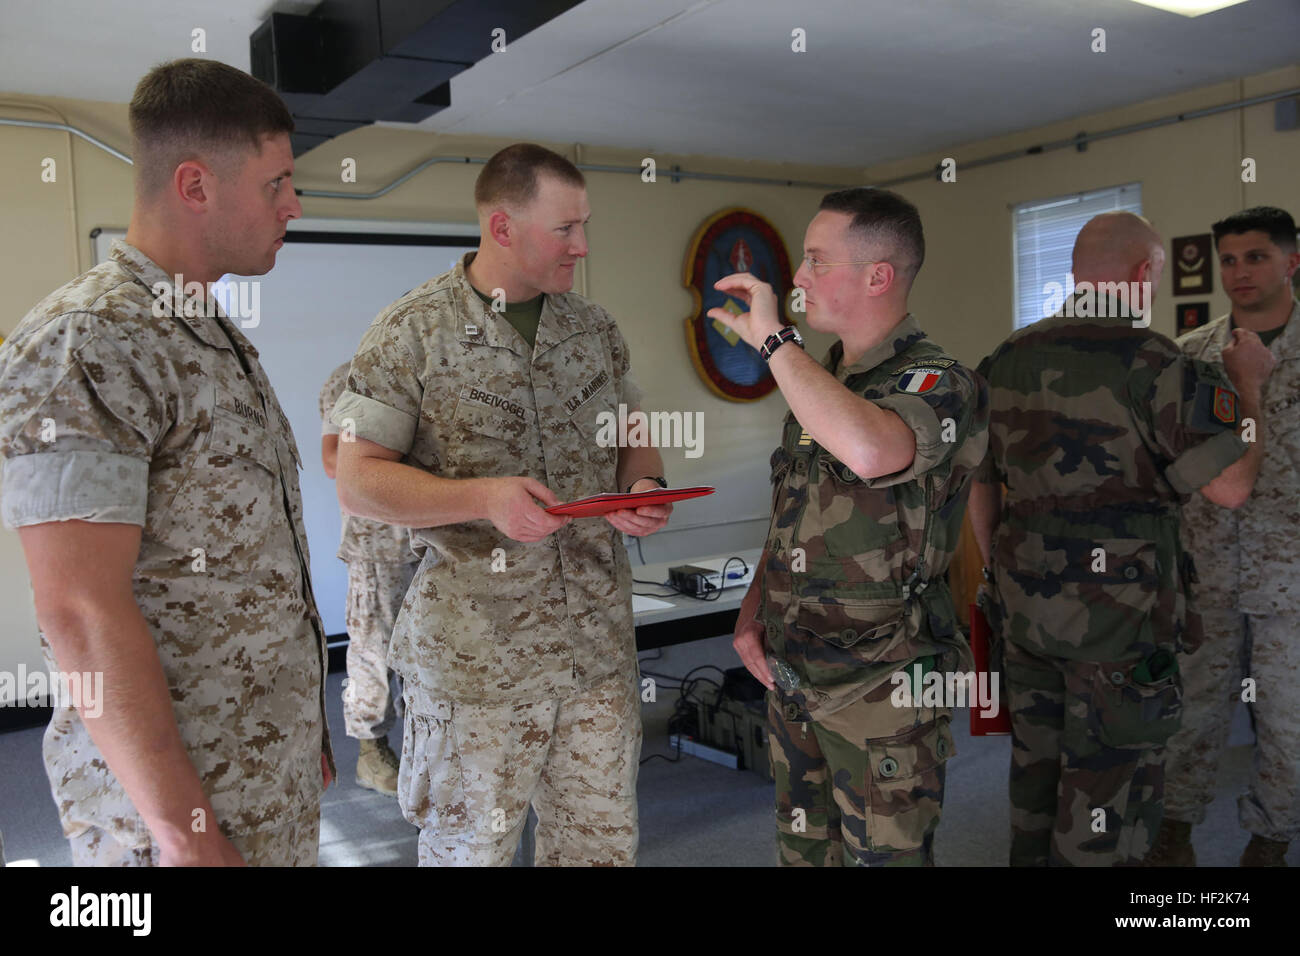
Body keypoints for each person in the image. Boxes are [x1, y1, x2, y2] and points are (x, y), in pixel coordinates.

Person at [0, 59, 332, 866]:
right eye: (276, 183)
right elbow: (78, 612)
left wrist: (300, 732)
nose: (294, 204)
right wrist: (182, 835)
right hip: (167, 818)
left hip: (257, 776)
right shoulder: (89, 340)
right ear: (195, 185)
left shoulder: (209, 332)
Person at [330, 143, 670, 866]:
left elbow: (633, 434)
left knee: (598, 849)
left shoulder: (594, 330)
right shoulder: (411, 332)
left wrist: (641, 487)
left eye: (584, 225)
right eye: (565, 229)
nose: (583, 245)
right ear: (502, 226)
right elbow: (358, 479)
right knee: (470, 852)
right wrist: (483, 498)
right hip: (476, 664)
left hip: (595, 653)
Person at [967, 211, 1273, 866]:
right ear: (1142, 275)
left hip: (1026, 607)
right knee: (1111, 790)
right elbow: (1232, 486)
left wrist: (997, 569)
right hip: (1123, 623)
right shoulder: (1154, 361)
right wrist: (1248, 383)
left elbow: (978, 480)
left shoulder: (1007, 357)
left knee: (1036, 780)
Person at [720, 188, 989, 866]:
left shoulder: (940, 380)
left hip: (884, 682)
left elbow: (874, 452)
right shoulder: (823, 381)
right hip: (796, 668)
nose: (798, 279)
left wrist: (777, 341)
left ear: (878, 276)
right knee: (805, 852)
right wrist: (753, 609)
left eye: (815, 260)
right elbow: (793, 513)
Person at [1148, 207, 1299, 867]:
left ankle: (1269, 840)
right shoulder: (1193, 354)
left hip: (1292, 577)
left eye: (1256, 257)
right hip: (1206, 567)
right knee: (1190, 712)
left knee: (1288, 725)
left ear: (1292, 261)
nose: (1239, 272)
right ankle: (1174, 831)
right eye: (1229, 259)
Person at [319, 361, 417, 794]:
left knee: (431, 655)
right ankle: (371, 754)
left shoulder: (450, 374)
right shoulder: (354, 379)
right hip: (379, 544)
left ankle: (425, 750)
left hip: (440, 541)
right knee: (373, 655)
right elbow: (332, 460)